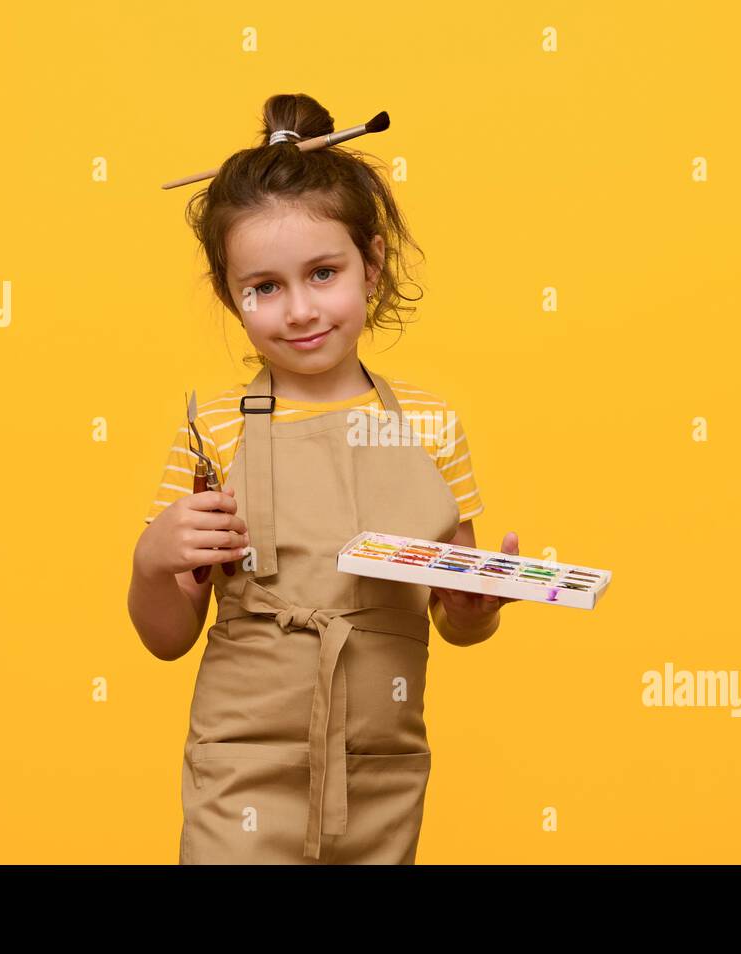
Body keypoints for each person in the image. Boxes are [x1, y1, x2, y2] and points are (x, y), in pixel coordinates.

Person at [127, 93, 519, 864]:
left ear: (369, 265)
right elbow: (167, 637)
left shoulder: (431, 427)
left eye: (323, 273)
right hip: (242, 771)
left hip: (378, 772)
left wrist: (479, 606)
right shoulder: (215, 430)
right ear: (227, 294)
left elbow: (460, 620)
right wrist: (152, 557)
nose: (300, 310)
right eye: (264, 287)